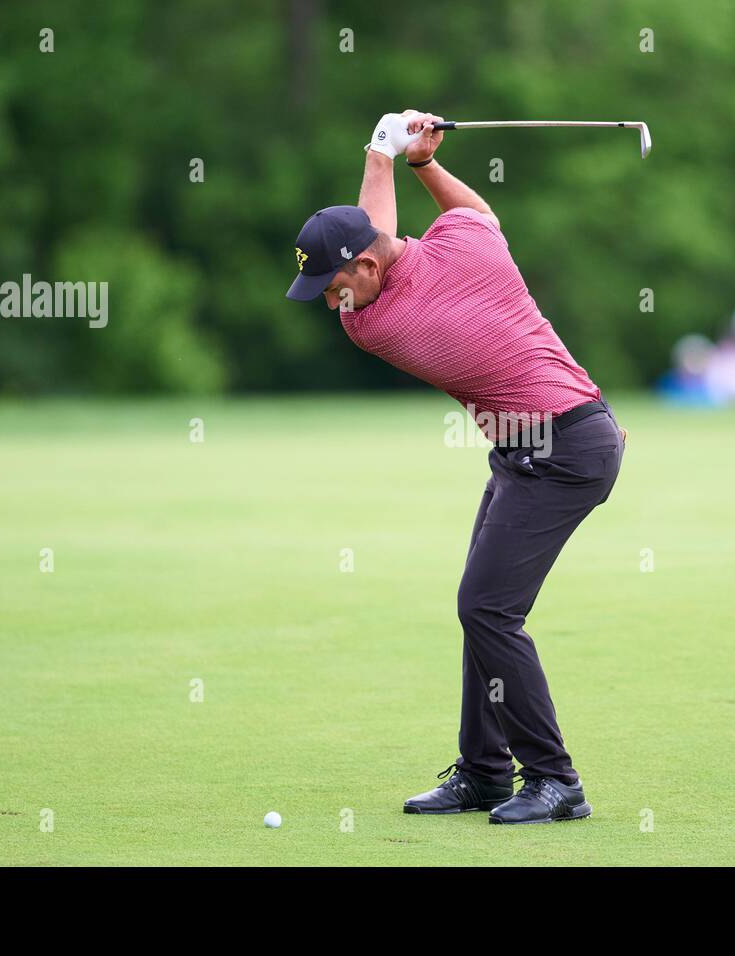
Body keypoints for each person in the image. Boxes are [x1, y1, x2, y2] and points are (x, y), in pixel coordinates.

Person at [286, 110, 625, 824]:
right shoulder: (469, 240)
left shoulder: (377, 323)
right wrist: (409, 160)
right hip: (534, 447)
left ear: (366, 271)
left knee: (487, 609)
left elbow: (376, 236)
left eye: (333, 286)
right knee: (485, 610)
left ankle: (556, 781)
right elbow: (426, 221)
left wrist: (386, 153)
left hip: (565, 453)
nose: (330, 301)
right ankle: (483, 774)